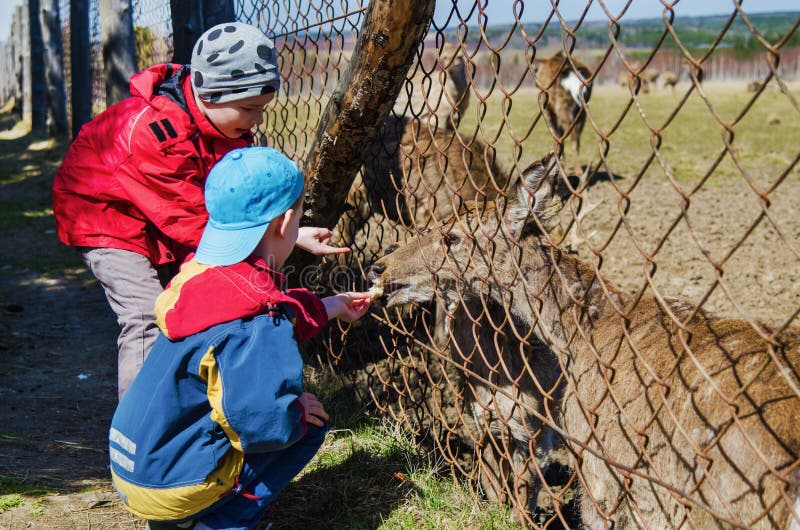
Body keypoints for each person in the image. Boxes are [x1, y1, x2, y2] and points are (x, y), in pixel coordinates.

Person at [52, 22, 347, 398]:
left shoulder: (224, 127)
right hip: (105, 216)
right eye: (249, 109)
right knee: (145, 313)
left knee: (197, 297)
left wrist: (293, 234)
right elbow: (192, 221)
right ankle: (142, 422)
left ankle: (196, 396)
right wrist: (270, 238)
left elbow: (220, 211)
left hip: (158, 208)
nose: (257, 120)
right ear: (210, 95)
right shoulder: (159, 136)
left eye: (261, 109)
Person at [109, 146, 371, 530]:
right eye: (298, 219)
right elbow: (262, 421)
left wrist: (329, 306)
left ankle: (182, 517)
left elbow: (272, 314)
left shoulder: (197, 278)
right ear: (284, 224)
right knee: (307, 424)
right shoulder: (256, 321)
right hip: (174, 486)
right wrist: (294, 412)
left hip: (134, 466)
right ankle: (222, 522)